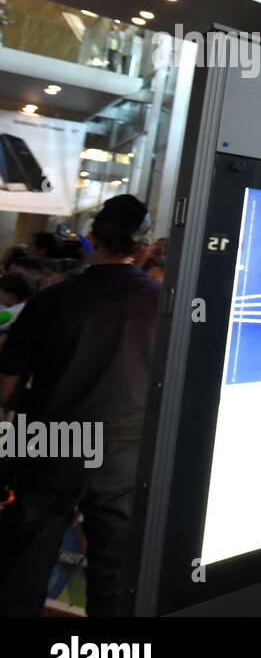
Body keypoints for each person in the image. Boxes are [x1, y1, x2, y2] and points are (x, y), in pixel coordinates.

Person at [0, 195, 161, 617]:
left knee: (23, 564)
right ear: (142, 246)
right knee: (114, 572)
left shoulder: (50, 300)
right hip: (126, 445)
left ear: (92, 240)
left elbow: (5, 387)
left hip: (47, 437)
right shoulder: (163, 303)